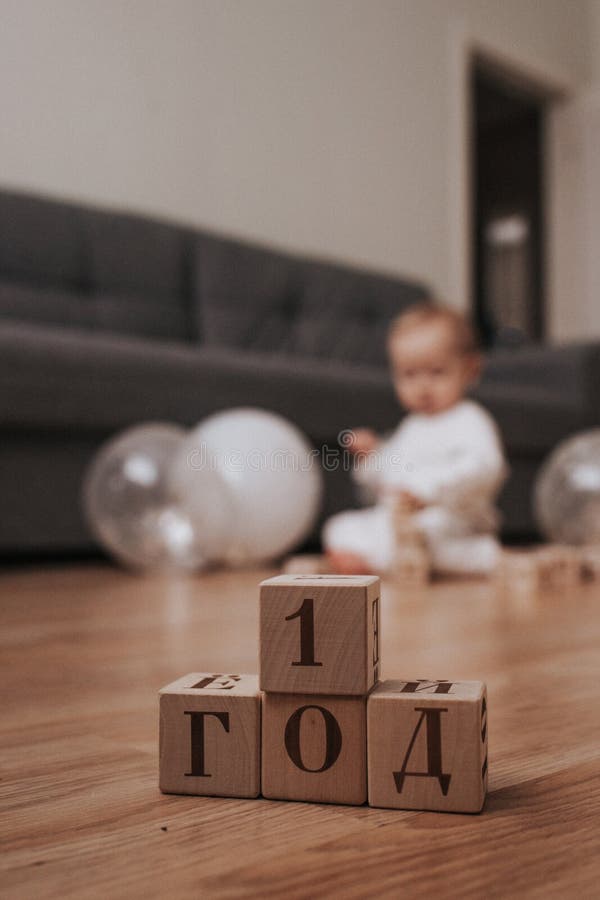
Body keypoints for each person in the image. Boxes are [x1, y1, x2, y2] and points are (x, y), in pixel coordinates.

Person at [322, 302, 508, 576]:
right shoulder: (411, 426)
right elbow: (388, 481)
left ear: (470, 370)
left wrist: (426, 490)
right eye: (409, 375)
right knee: (339, 527)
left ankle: (481, 555)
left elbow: (486, 467)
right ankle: (385, 558)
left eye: (436, 372)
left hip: (452, 518)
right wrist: (372, 457)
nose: (422, 387)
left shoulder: (470, 419)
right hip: (400, 520)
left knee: (428, 534)